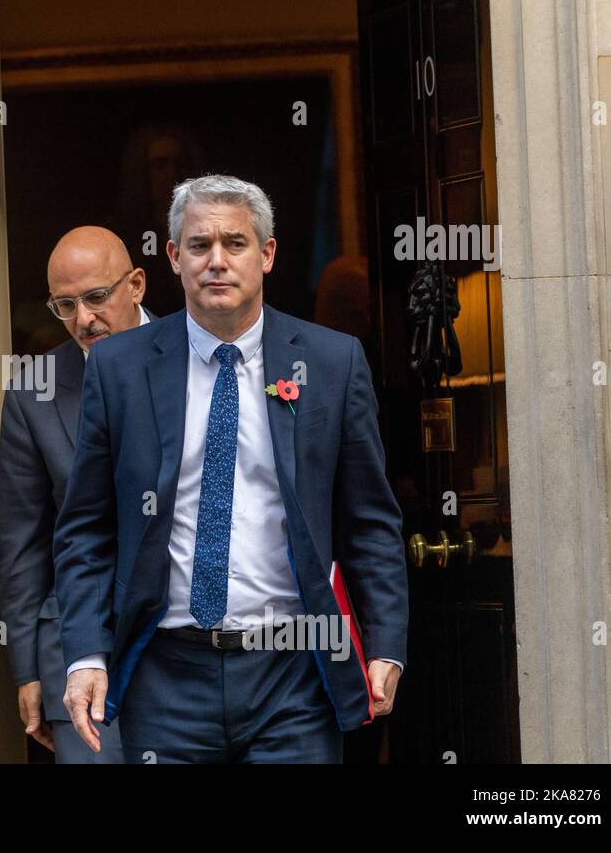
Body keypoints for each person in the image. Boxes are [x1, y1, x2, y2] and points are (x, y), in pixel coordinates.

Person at [55, 176, 408, 763]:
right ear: (173, 257)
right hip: (166, 676)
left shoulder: (331, 361)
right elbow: (86, 528)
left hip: (295, 675)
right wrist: (86, 654)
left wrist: (387, 644)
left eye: (235, 244)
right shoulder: (119, 368)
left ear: (267, 254)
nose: (216, 261)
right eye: (198, 245)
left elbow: (369, 519)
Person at [0, 226, 151, 763]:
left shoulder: (197, 355)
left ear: (136, 284)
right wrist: (27, 668)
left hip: (188, 652)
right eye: (65, 305)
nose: (83, 319)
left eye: (96, 297)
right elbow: (23, 540)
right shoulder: (32, 392)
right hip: (73, 656)